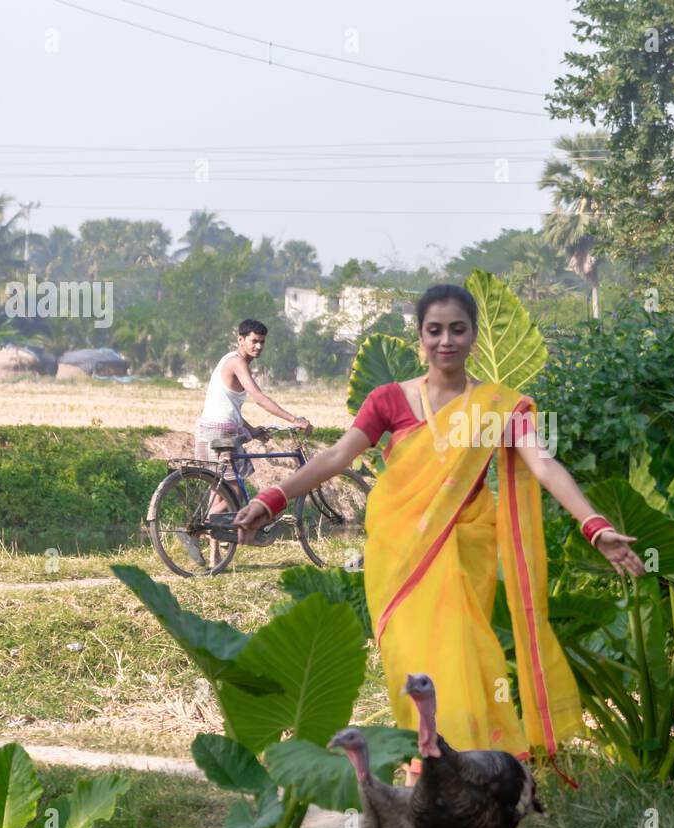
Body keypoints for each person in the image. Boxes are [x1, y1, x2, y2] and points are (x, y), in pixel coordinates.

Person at [232, 285, 645, 781]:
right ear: (420, 336)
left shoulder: (497, 406)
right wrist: (270, 498)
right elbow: (336, 457)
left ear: (472, 335)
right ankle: (422, 771)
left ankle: (471, 774)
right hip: (398, 553)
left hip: (464, 550)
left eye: (457, 329)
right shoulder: (389, 399)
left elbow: (545, 465)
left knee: (466, 658)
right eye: (435, 330)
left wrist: (594, 525)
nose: (446, 340)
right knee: (414, 668)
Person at [194, 318, 313, 512]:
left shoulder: (230, 359)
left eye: (262, 342)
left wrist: (252, 430)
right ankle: (202, 524)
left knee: (218, 492)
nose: (259, 346)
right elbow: (258, 397)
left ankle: (213, 538)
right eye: (254, 341)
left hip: (212, 430)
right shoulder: (237, 362)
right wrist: (294, 419)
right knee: (235, 494)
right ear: (241, 340)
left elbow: (228, 408)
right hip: (220, 435)